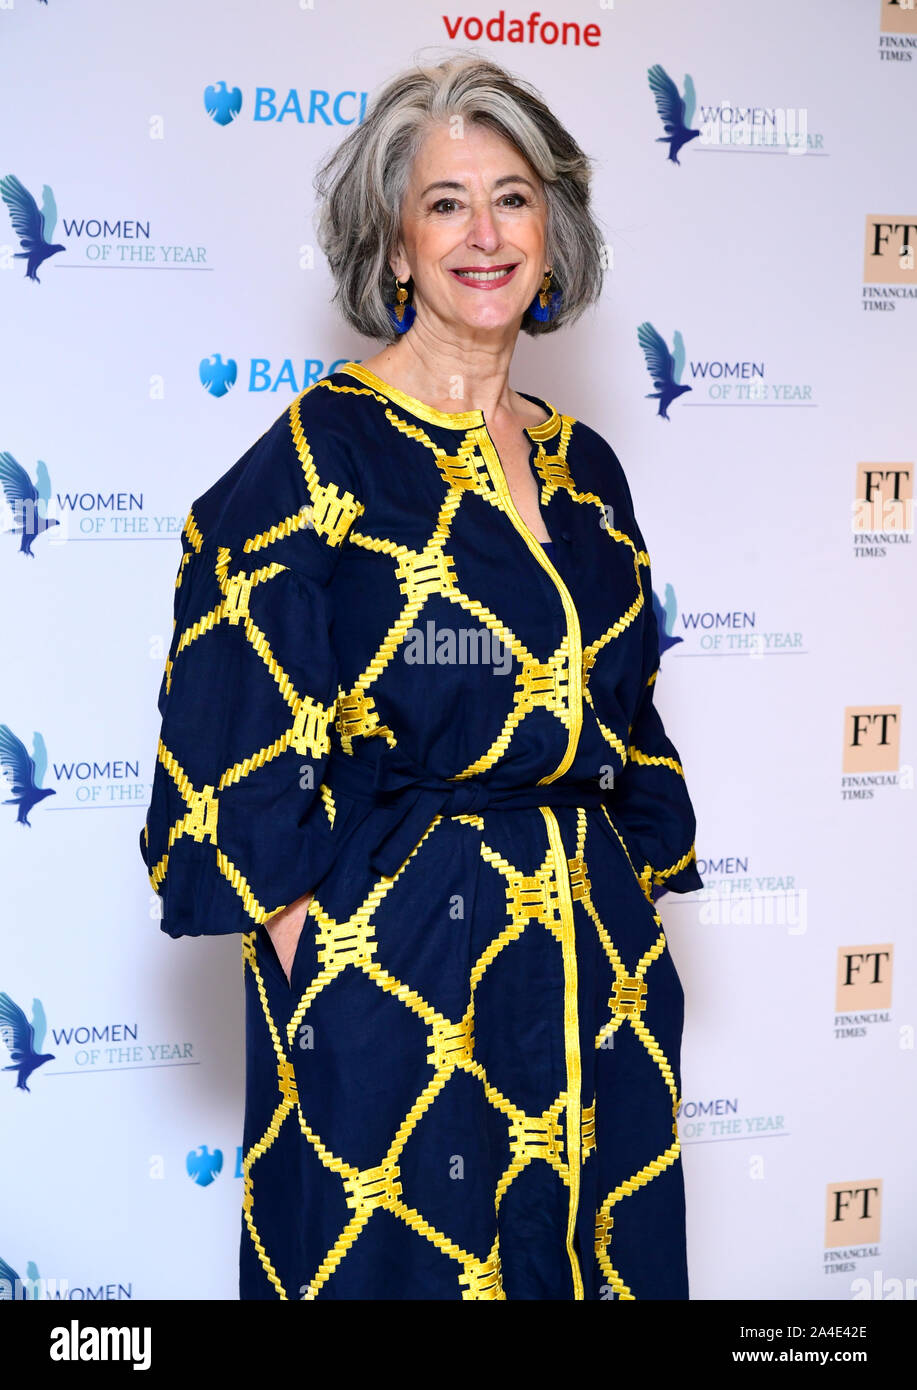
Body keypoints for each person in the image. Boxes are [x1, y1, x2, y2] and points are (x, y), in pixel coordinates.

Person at [140, 52, 704, 1301]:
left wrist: (633, 915)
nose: (484, 233)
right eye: (445, 202)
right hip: (400, 975)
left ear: (552, 230)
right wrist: (318, 958)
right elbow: (228, 720)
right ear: (393, 246)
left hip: (583, 984)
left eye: (513, 196)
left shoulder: (585, 469)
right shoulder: (318, 455)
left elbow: (625, 716)